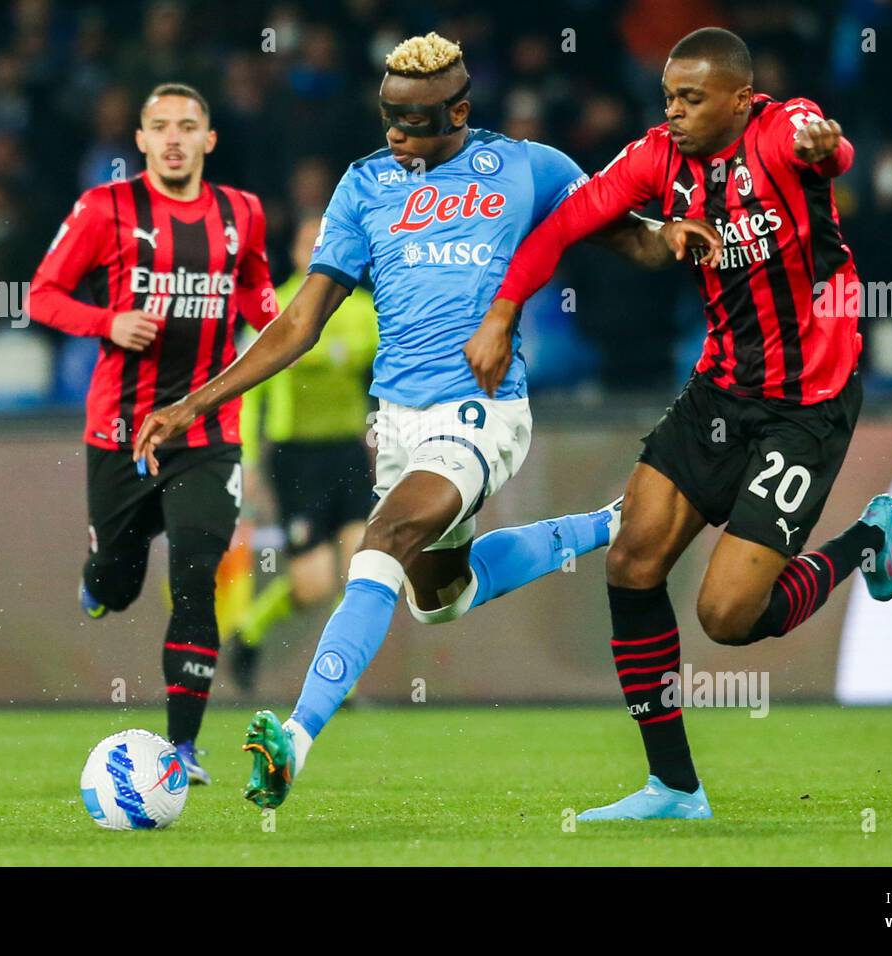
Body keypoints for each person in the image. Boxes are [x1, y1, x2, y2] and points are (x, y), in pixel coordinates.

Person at [134, 33, 722, 809]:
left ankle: (294, 742)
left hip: (482, 412)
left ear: (460, 111)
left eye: (413, 120)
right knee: (439, 597)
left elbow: (622, 237)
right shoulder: (364, 184)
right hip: (399, 425)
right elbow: (300, 321)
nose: (395, 135)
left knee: (380, 544)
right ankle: (615, 522)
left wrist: (666, 237)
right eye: (388, 116)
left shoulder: (528, 168)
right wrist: (195, 401)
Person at [486, 28, 892, 821]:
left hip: (808, 403)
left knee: (729, 618)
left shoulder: (784, 130)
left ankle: (869, 540)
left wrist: (830, 145)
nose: (673, 113)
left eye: (691, 99)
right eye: (669, 98)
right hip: (719, 390)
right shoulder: (655, 159)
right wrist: (506, 309)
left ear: (741, 98)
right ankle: (674, 788)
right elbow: (564, 227)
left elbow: (829, 148)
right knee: (632, 560)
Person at [26, 82, 278, 786]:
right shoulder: (104, 207)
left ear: (209, 139)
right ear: (138, 140)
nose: (173, 138)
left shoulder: (243, 213)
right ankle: (99, 575)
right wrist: (106, 322)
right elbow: (41, 294)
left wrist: (289, 315)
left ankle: (183, 749)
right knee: (120, 582)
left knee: (196, 578)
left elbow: (259, 297)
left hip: (208, 430)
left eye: (187, 126)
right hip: (120, 433)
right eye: (159, 126)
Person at [231, 215, 378, 691]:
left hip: (347, 451)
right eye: (306, 241)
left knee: (363, 567)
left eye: (326, 240)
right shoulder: (275, 306)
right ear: (293, 251)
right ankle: (250, 630)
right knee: (313, 585)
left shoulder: (361, 307)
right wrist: (248, 458)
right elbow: (249, 389)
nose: (316, 249)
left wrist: (313, 353)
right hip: (295, 456)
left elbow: (371, 351)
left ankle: (340, 681)